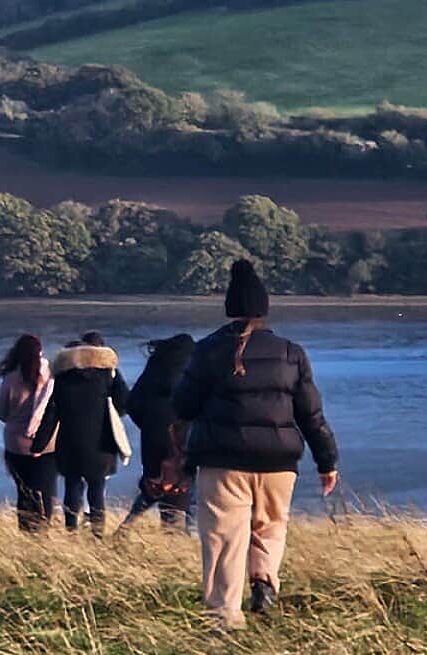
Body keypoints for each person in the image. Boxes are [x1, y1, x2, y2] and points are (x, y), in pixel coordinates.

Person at [173, 260, 339, 630]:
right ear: (264, 309)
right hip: (279, 461)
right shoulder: (291, 352)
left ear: (229, 308)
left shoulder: (207, 351)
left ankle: (225, 617)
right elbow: (311, 414)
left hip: (223, 459)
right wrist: (327, 461)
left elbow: (183, 405)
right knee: (271, 526)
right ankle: (263, 581)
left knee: (223, 536)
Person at [31, 335, 129, 536]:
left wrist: (38, 446)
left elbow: (51, 414)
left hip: (70, 442)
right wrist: (114, 377)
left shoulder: (63, 379)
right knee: (97, 488)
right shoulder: (106, 377)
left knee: (72, 486)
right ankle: (97, 533)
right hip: (101, 442)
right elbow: (123, 404)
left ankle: (71, 530)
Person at [121, 334, 196, 532]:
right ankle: (183, 545)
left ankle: (126, 529)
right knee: (183, 492)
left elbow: (131, 403)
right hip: (181, 442)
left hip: (153, 439)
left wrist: (147, 424)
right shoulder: (193, 372)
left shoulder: (154, 369)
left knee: (154, 486)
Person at [0, 334, 58, 531]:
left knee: (24, 492)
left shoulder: (11, 378)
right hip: (48, 443)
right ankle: (44, 527)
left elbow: (1, 413)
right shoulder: (51, 376)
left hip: (16, 444)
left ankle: (27, 531)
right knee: (47, 490)